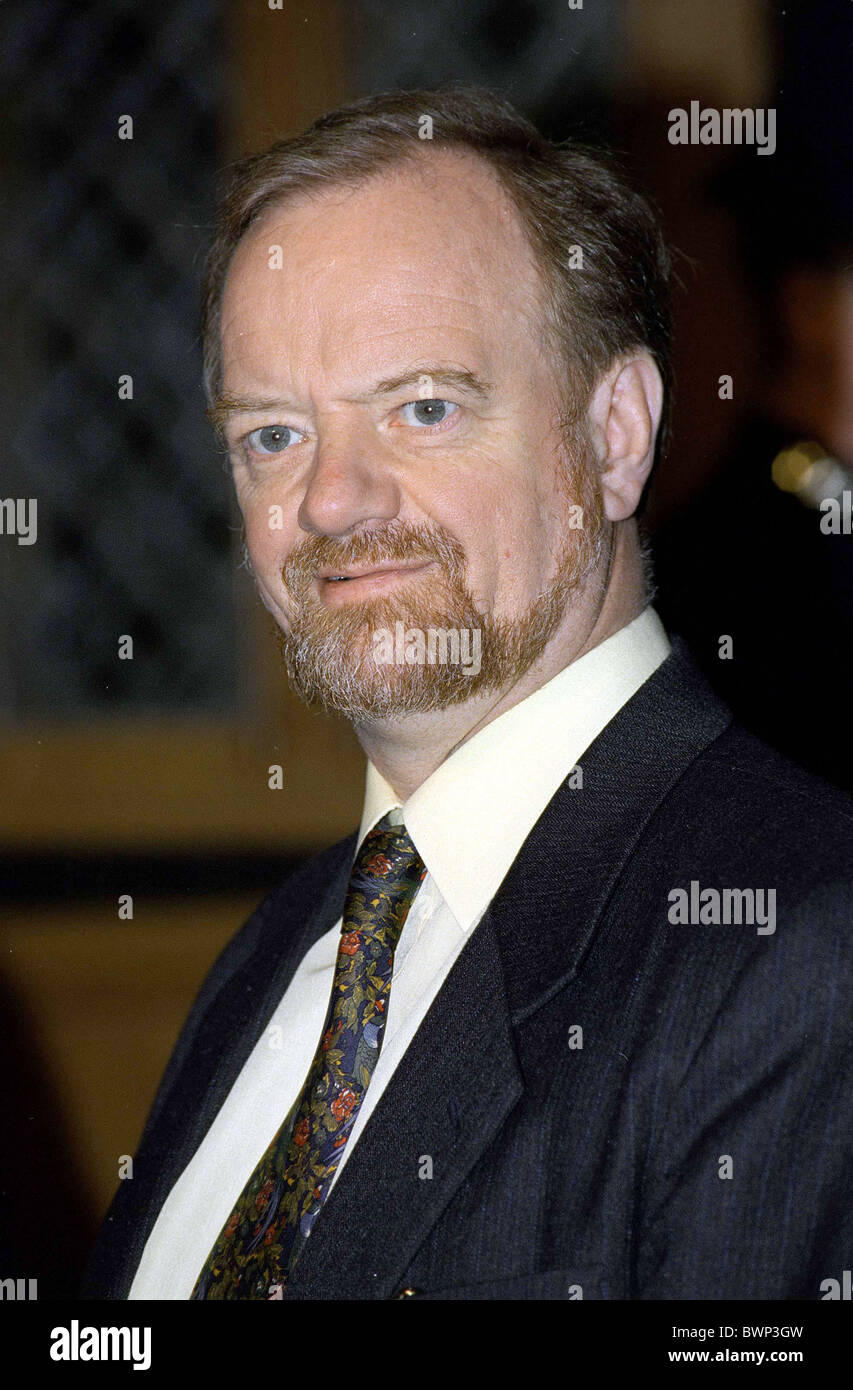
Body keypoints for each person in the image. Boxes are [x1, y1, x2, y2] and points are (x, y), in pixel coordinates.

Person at [82, 87, 853, 1301]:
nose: (331, 501)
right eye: (273, 436)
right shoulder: (277, 955)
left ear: (613, 436)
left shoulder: (799, 946)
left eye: (423, 408)